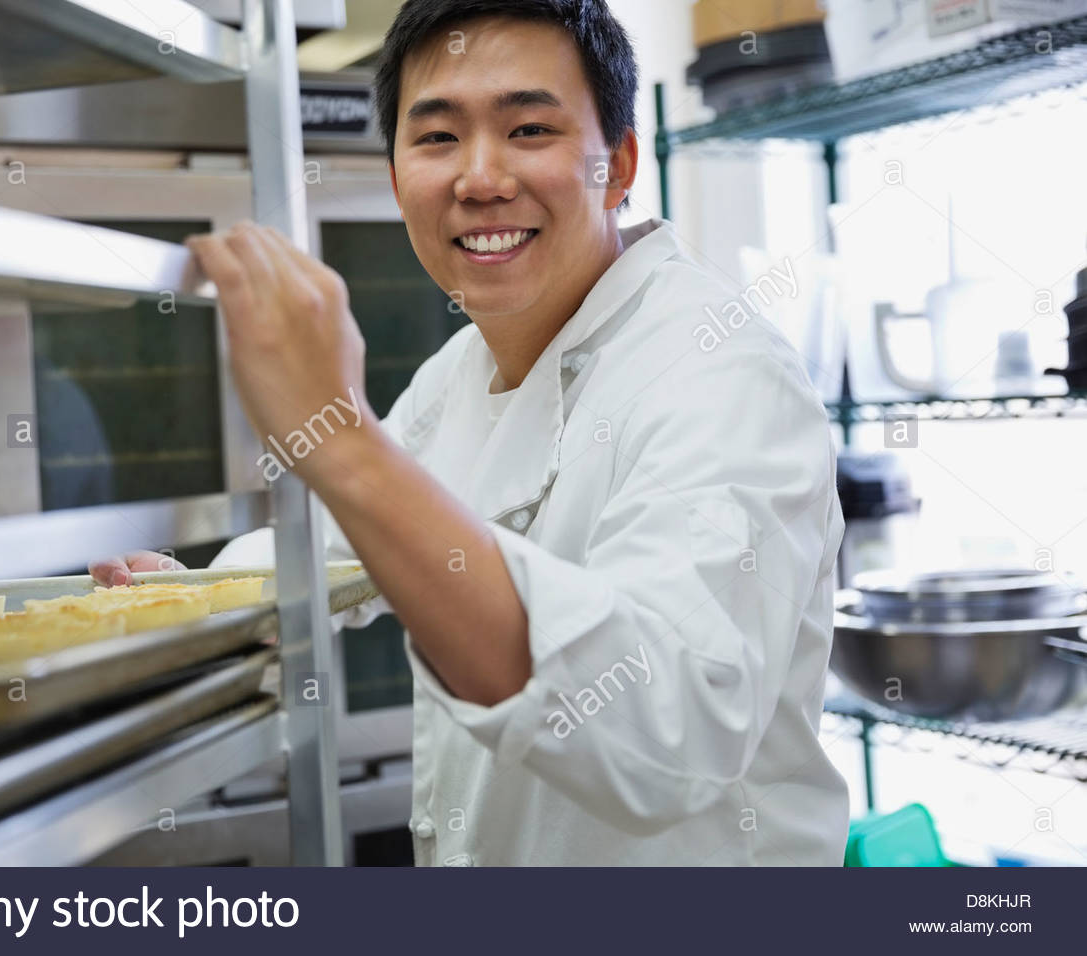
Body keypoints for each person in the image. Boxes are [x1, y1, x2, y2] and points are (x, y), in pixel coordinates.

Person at [92, 0, 849, 865]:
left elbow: (669, 732)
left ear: (620, 164)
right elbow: (350, 546)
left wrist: (338, 439)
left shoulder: (721, 372)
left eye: (529, 128)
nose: (480, 179)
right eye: (438, 138)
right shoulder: (457, 371)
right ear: (395, 174)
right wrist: (193, 599)